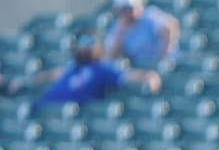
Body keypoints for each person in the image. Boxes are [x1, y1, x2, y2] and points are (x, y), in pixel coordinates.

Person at [13, 30, 160, 106]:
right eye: (81, 42)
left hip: (66, 115)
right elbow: (52, 75)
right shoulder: (73, 66)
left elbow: (126, 76)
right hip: (45, 106)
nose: (84, 47)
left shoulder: (102, 69)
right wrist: (23, 83)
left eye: (89, 42)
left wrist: (149, 76)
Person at [104, 0, 179, 69]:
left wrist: (163, 56)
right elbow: (110, 56)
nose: (128, 12)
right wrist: (120, 33)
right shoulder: (118, 28)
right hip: (141, 69)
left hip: (164, 66)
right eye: (124, 9)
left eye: (130, 8)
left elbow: (169, 26)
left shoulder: (149, 17)